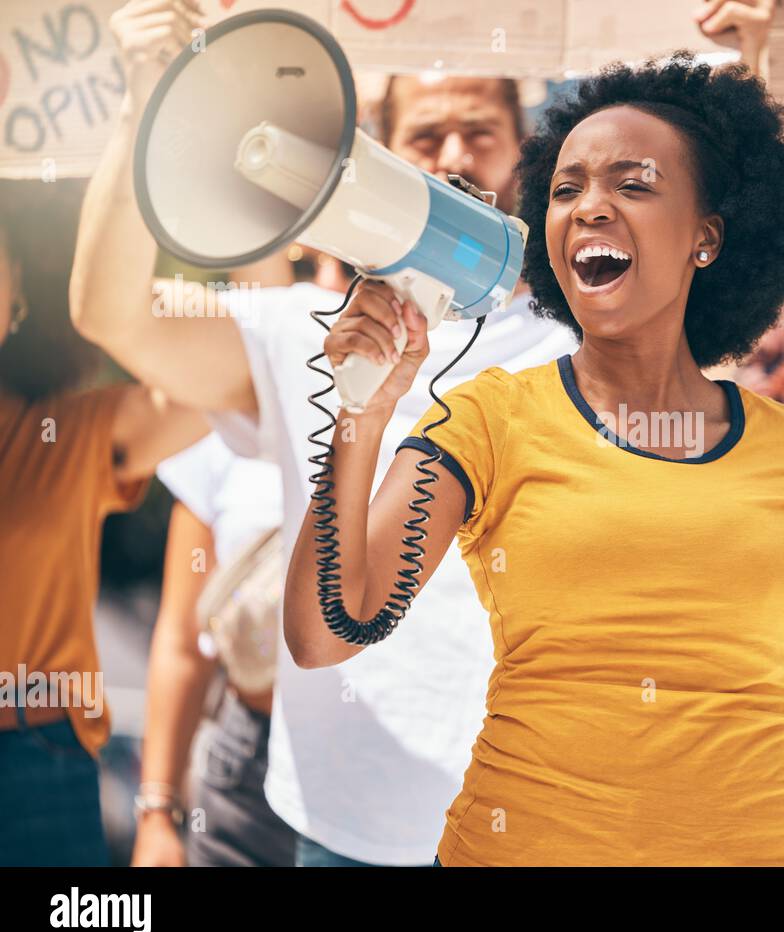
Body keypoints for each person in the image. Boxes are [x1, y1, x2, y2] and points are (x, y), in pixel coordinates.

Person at [281, 52, 784, 867]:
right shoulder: (489, 418)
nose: (590, 206)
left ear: (707, 236)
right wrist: (363, 413)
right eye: (567, 190)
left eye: (633, 184)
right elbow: (329, 631)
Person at [71, 0, 576, 865]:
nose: (455, 155)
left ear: (525, 153)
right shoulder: (300, 330)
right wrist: (144, 101)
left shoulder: (585, 342)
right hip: (346, 828)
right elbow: (111, 315)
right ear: (374, 151)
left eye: (480, 129)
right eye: (426, 134)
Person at [0, 185, 208, 866]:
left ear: (19, 289)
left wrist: (112, 303)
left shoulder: (64, 432)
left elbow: (214, 384)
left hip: (35, 762)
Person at [131, 433, 294, 866]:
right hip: (247, 782)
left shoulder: (432, 408)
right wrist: (157, 815)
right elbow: (183, 641)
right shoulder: (219, 429)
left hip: (386, 788)